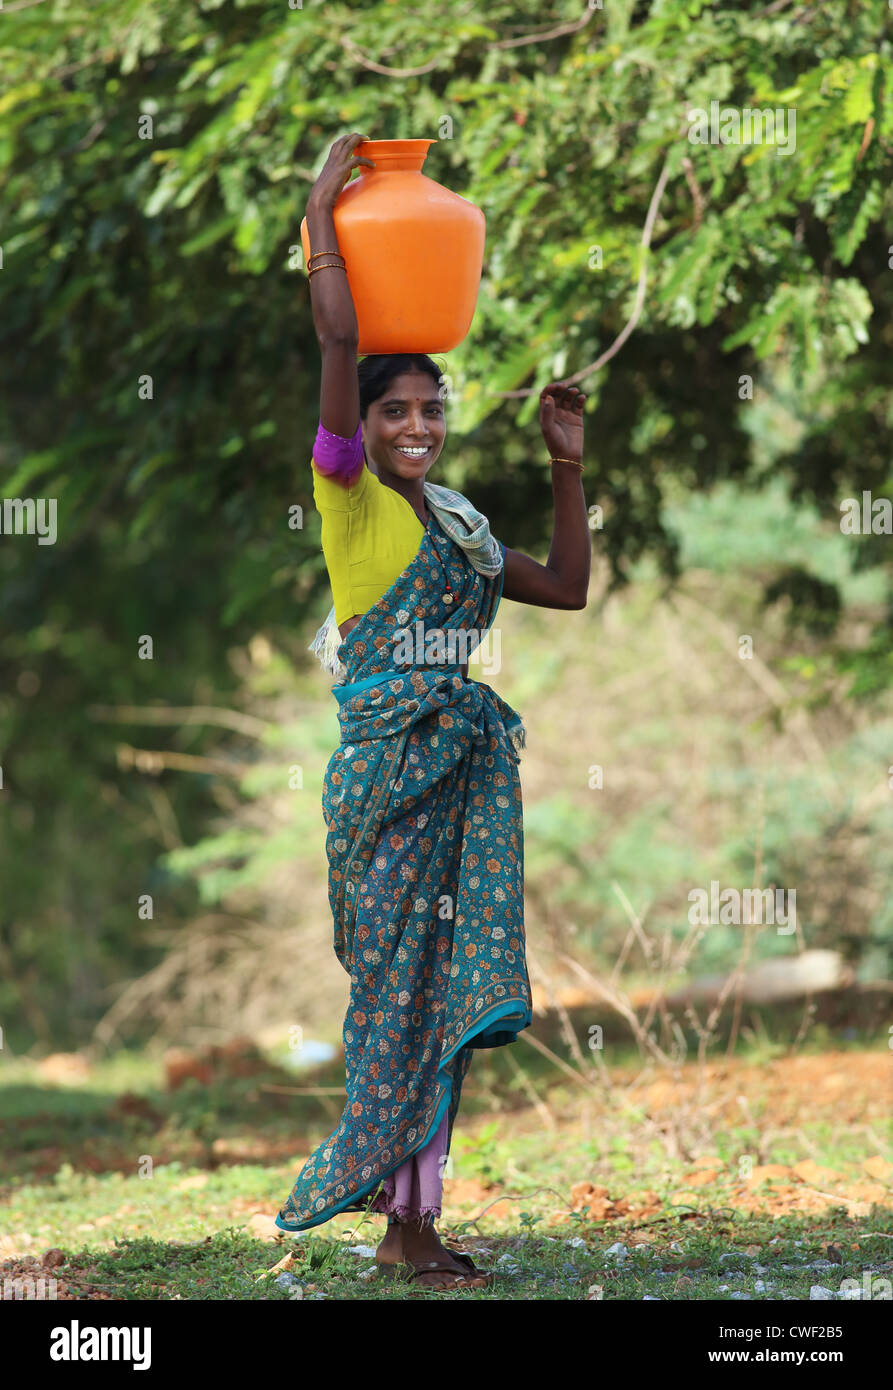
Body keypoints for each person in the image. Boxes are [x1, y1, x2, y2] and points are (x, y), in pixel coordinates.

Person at [275, 132, 591, 1290]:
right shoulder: (348, 496)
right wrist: (323, 209)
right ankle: (396, 1232)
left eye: (431, 408)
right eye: (397, 411)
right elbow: (342, 338)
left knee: (441, 998)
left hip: (451, 780)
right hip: (386, 786)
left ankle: (418, 1226)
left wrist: (565, 464)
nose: (417, 425)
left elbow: (563, 588)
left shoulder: (454, 524)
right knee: (393, 1000)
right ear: (363, 428)